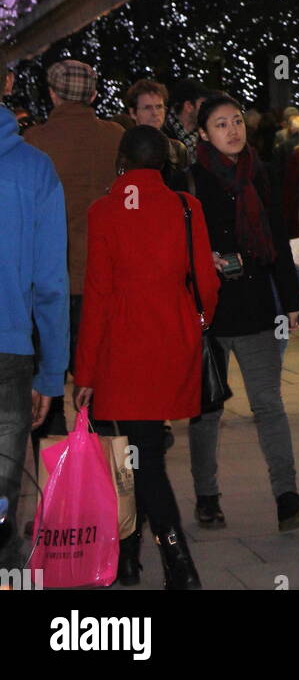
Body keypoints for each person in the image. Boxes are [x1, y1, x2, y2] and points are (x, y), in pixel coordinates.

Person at [73, 126, 219, 589]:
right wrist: (196, 324)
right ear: (163, 162)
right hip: (173, 339)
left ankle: (176, 563)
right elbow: (207, 282)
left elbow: (96, 293)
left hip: (122, 347)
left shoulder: (104, 211)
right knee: (141, 453)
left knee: (135, 458)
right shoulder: (184, 207)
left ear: (121, 161)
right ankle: (135, 559)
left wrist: (86, 370)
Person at [187, 93, 299, 532]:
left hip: (256, 307)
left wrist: (293, 302)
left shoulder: (259, 174)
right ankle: (207, 497)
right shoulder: (188, 181)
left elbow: (278, 238)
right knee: (207, 410)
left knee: (269, 404)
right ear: (204, 133)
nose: (233, 130)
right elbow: (176, 246)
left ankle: (287, 496)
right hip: (207, 311)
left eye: (237, 121)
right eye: (221, 124)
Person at [24, 59, 124, 434]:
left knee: (47, 394)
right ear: (94, 94)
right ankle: (107, 479)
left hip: (51, 283)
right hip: (103, 282)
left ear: (51, 94)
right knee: (101, 390)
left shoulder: (34, 142)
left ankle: (57, 480)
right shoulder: (115, 137)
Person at [0, 104, 68, 571]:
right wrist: (51, 371)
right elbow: (50, 283)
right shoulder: (34, 169)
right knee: (3, 488)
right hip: (10, 351)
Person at [126, 78, 190, 192]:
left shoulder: (178, 150)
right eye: (147, 107)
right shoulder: (123, 149)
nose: (155, 113)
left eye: (159, 107)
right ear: (133, 113)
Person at [165, 79, 210, 164]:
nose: (209, 109)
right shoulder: (163, 137)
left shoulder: (206, 137)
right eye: (204, 104)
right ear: (188, 106)